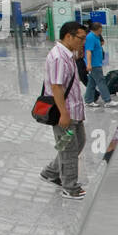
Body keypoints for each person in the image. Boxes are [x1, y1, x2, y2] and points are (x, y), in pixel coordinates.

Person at [39, 21, 89, 199]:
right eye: (81, 38)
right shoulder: (59, 57)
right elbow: (56, 87)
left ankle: (50, 172)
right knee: (68, 149)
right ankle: (70, 187)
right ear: (69, 36)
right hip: (65, 112)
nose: (83, 42)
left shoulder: (67, 54)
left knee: (78, 142)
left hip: (74, 110)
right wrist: (63, 113)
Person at [83, 22, 118, 108]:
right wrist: (88, 64)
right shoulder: (90, 37)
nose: (101, 30)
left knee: (91, 83)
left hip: (97, 63)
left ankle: (88, 100)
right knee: (101, 81)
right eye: (101, 29)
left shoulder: (96, 36)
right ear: (98, 29)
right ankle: (107, 100)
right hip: (94, 64)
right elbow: (88, 51)